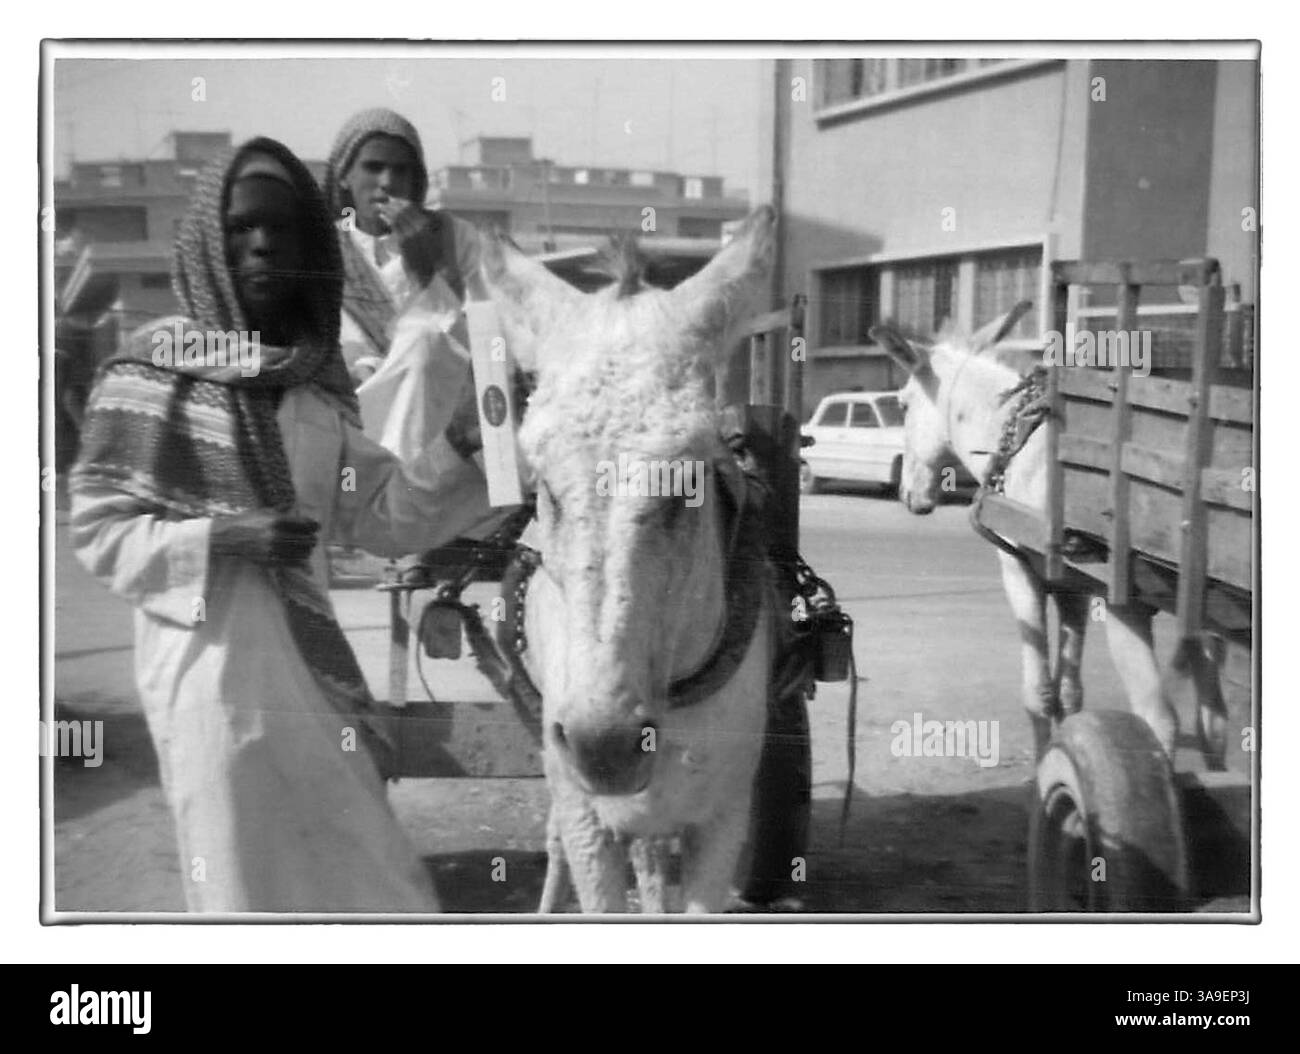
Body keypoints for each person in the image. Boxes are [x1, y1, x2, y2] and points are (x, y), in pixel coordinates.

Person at [69, 137, 505, 913]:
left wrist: (460, 447)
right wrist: (219, 540)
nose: (262, 242)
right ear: (211, 242)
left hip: (312, 681)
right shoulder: (151, 372)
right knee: (246, 889)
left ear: (310, 245)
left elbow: (379, 514)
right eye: (241, 229)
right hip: (209, 683)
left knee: (377, 882)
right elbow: (102, 532)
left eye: (280, 228)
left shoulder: (313, 384)